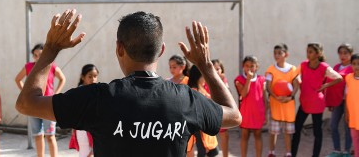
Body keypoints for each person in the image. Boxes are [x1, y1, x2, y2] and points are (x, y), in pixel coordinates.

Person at [15, 9, 241, 156]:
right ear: (161, 51)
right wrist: (206, 65)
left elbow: (26, 103)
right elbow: (234, 115)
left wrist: (51, 50)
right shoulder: (187, 99)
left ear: (119, 48)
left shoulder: (98, 98)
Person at [291, 43, 343, 157]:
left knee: (317, 133)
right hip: (304, 102)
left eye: (310, 52)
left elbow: (339, 78)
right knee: (296, 129)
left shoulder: (324, 67)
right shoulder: (304, 64)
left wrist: (325, 85)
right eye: (307, 51)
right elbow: (296, 75)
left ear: (318, 53)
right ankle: (292, 154)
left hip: (316, 104)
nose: (308, 54)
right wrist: (298, 79)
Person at [15, 43, 66, 157]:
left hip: (48, 104)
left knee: (50, 136)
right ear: (33, 56)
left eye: (41, 54)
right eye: (35, 55)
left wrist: (56, 93)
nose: (38, 57)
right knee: (38, 135)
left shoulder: (51, 66)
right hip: (33, 105)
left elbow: (62, 78)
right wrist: (25, 92)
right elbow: (18, 79)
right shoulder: (28, 67)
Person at [264, 44, 299, 157]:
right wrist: (275, 96)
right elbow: (268, 86)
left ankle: (288, 153)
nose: (277, 55)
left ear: (286, 54)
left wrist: (291, 96)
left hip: (288, 105)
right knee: (273, 132)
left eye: (279, 53)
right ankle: (271, 152)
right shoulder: (271, 70)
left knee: (288, 132)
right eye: (275, 53)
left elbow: (296, 84)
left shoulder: (293, 69)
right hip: (275, 104)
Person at [235, 56, 266, 157]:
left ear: (257, 67)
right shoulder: (239, 80)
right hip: (246, 112)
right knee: (245, 136)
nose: (249, 68)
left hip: (258, 112)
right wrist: (248, 80)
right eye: (247, 66)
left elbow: (264, 98)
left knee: (258, 135)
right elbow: (243, 94)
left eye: (252, 66)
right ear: (243, 66)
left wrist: (265, 113)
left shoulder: (262, 79)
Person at [326, 44, 354, 157]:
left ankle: (347, 151)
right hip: (337, 101)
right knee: (333, 125)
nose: (343, 55)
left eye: (345, 53)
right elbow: (331, 85)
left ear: (350, 54)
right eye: (340, 53)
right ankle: (336, 150)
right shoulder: (336, 67)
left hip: (349, 102)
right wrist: (330, 101)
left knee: (347, 126)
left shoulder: (353, 67)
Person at [187, 65, 219, 157]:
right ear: (198, 76)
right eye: (204, 76)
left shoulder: (201, 87)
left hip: (207, 126)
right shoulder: (194, 91)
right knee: (204, 152)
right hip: (201, 128)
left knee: (212, 151)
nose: (205, 78)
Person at [69, 64, 98, 157]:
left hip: (95, 127)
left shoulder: (99, 91)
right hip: (82, 129)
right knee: (85, 152)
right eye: (90, 76)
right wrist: (73, 127)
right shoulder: (79, 92)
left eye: (95, 76)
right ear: (83, 77)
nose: (93, 79)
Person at [207, 59, 230, 157]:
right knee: (209, 138)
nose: (216, 71)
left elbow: (228, 94)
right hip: (210, 112)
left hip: (221, 111)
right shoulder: (207, 79)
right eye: (214, 69)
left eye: (218, 68)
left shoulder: (224, 80)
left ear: (222, 70)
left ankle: (225, 155)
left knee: (224, 135)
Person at [345, 53, 359, 157]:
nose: (356, 66)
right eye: (354, 64)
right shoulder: (348, 78)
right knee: (355, 138)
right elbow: (347, 96)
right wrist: (347, 113)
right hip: (353, 116)